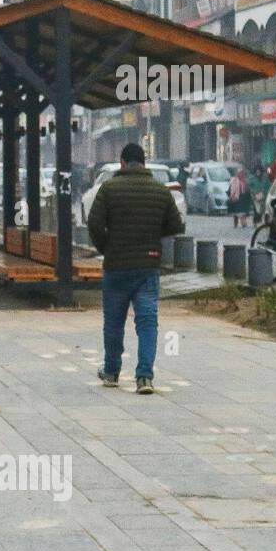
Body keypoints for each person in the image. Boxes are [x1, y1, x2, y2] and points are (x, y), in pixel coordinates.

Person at [87, 142, 184, 395]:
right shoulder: (160, 191)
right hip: (147, 265)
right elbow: (176, 225)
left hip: (116, 265)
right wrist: (153, 234)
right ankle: (144, 377)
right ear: (143, 162)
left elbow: (94, 223)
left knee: (114, 322)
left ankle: (111, 372)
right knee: (147, 321)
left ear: (122, 163)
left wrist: (106, 246)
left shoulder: (108, 189)